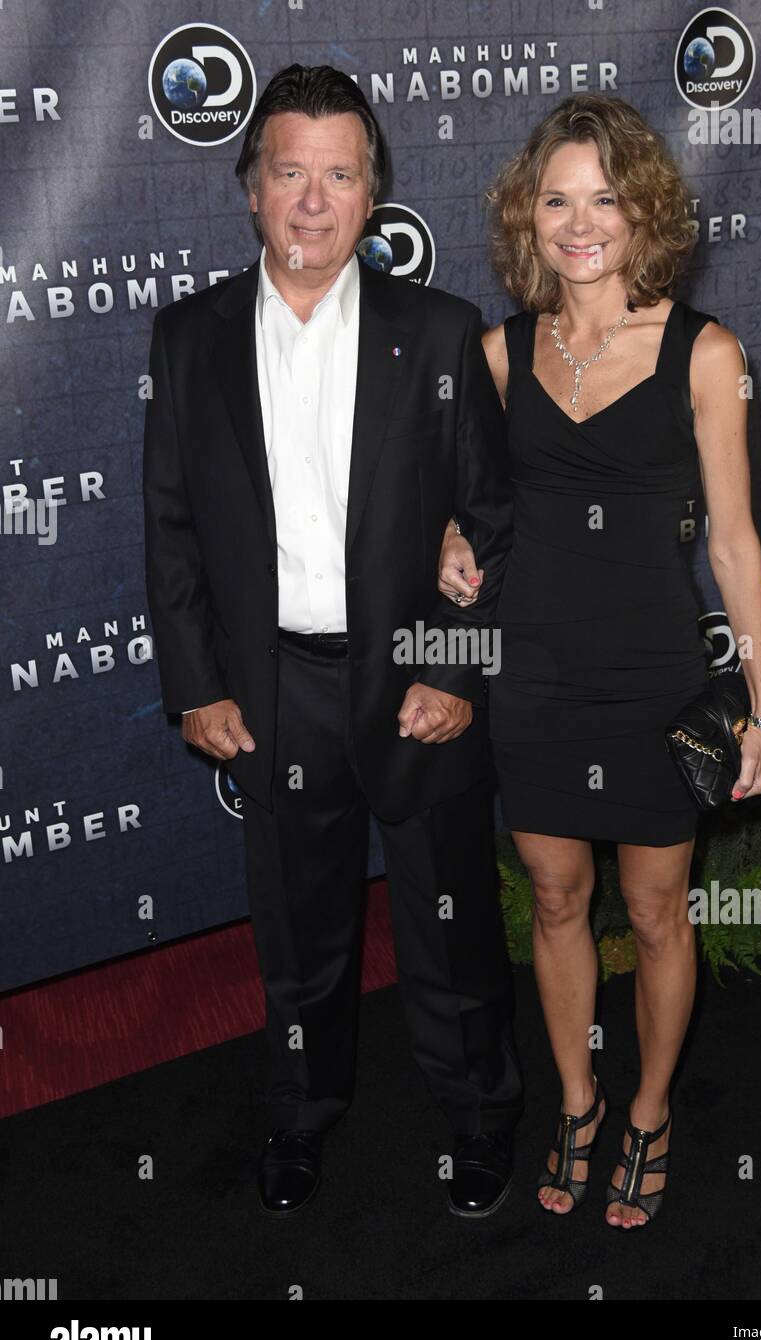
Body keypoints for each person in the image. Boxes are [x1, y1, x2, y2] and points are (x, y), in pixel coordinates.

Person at [142, 63, 523, 1218]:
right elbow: (167, 526)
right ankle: (301, 1117)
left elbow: (498, 527)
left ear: (372, 195)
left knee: (447, 921)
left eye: (339, 175)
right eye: (289, 173)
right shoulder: (189, 338)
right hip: (273, 686)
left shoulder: (442, 332)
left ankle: (476, 1117)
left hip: (412, 671)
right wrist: (197, 685)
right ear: (250, 187)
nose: (313, 200)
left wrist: (456, 669)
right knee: (298, 930)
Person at [438, 94, 761, 1229]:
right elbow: (470, 511)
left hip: (650, 676)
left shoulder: (704, 351)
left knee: (652, 913)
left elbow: (733, 542)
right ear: (523, 215)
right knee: (550, 896)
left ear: (643, 214)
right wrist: (451, 541)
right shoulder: (496, 354)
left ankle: (647, 1110)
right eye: (555, 199)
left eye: (604, 199)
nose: (579, 223)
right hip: (531, 677)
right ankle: (576, 1104)